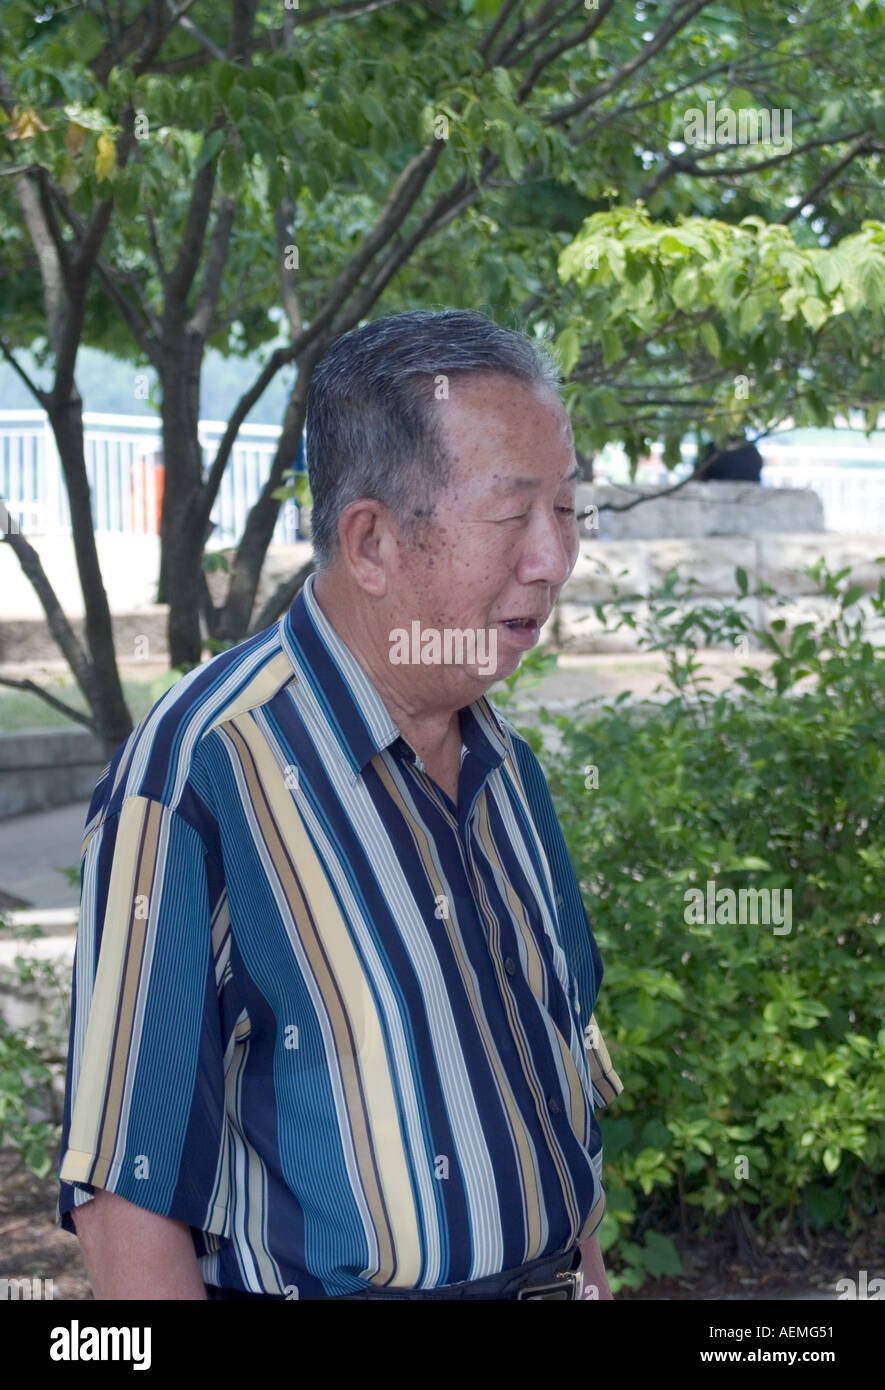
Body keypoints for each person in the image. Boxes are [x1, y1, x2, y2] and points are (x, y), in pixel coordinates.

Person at [55, 309, 624, 1301]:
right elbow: (126, 1199)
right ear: (369, 540)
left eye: (568, 510)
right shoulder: (200, 774)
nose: (553, 558)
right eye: (514, 514)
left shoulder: (508, 770)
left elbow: (557, 1084)